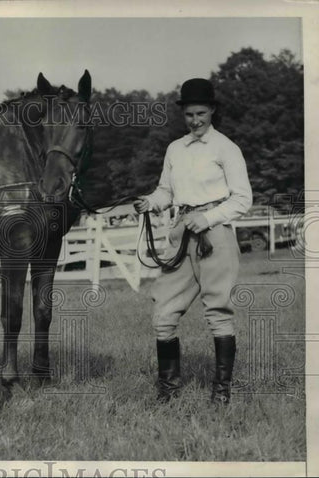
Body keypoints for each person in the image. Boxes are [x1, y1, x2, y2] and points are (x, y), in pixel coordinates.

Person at [134, 78, 252, 405]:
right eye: (189, 115)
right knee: (163, 313)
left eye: (201, 113)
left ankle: (221, 393)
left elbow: (243, 199)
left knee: (218, 310)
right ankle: (168, 391)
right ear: (182, 114)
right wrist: (151, 202)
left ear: (212, 110)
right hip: (180, 232)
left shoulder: (226, 148)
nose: (195, 120)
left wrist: (208, 217)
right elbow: (166, 191)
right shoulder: (174, 149)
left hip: (215, 235)